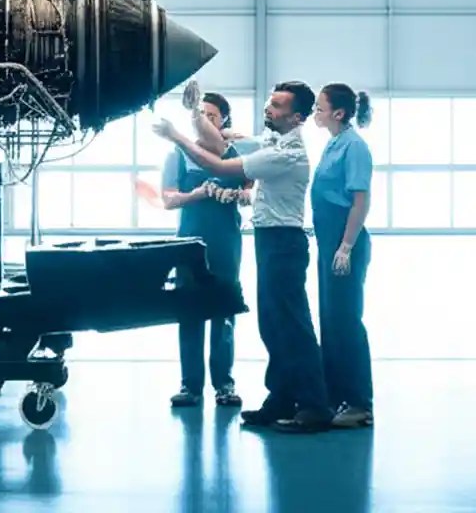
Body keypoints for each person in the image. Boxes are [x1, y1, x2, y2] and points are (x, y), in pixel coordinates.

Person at [153, 81, 334, 434]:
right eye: (269, 101)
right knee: (272, 324)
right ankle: (280, 399)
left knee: (292, 325)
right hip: (267, 241)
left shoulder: (286, 153)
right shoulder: (271, 141)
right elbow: (218, 144)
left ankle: (314, 405)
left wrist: (177, 134)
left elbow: (219, 164)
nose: (269, 108)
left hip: (283, 242)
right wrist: (193, 115)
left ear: (297, 118)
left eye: (278, 106)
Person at [160, 92, 246, 408]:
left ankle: (224, 384)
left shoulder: (234, 155)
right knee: (190, 311)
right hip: (189, 245)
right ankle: (190, 386)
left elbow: (250, 189)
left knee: (224, 310)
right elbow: (168, 199)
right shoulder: (179, 155)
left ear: (223, 120)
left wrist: (231, 194)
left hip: (225, 243)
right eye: (201, 115)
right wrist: (197, 194)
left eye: (212, 116)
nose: (205, 121)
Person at [307, 83, 375, 429]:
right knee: (330, 320)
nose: (315, 113)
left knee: (347, 321)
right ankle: (336, 396)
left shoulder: (354, 147)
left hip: (344, 239)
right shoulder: (333, 143)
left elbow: (359, 200)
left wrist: (346, 246)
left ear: (339, 113)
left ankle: (361, 403)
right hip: (326, 238)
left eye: (319, 108)